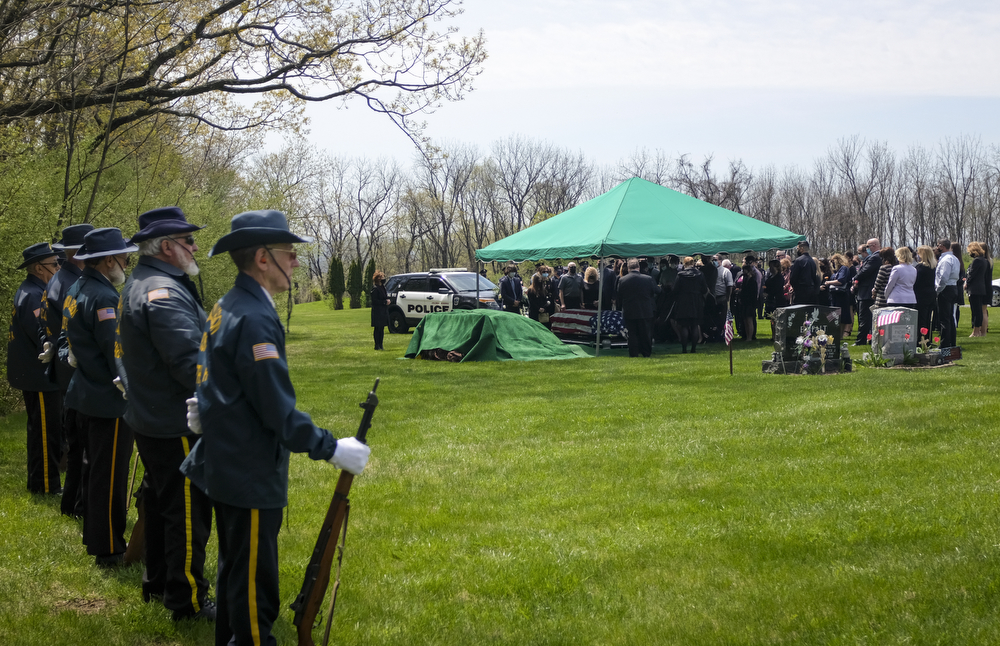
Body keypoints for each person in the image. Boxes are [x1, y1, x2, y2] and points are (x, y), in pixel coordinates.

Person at [179, 210, 371, 646]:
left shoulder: (229, 304)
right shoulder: (254, 317)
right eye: (290, 253)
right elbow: (276, 412)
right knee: (253, 597)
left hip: (227, 462)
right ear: (263, 258)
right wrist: (331, 448)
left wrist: (207, 410)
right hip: (247, 469)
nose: (297, 262)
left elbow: (215, 377)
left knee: (235, 577)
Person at [115, 207, 215, 618]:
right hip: (175, 420)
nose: (195, 247)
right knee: (188, 512)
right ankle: (186, 598)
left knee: (158, 504)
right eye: (188, 241)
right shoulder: (163, 291)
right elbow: (190, 363)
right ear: (168, 247)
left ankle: (156, 582)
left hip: (150, 415)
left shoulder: (146, 281)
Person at [62, 228, 137, 567]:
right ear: (108, 261)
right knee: (109, 477)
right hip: (108, 399)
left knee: (94, 472)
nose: (125, 263)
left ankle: (96, 536)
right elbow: (115, 350)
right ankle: (108, 548)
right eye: (123, 258)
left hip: (85, 394)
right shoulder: (105, 297)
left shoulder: (77, 287)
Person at [40, 224, 95, 516]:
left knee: (76, 442)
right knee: (82, 443)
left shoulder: (63, 278)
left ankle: (71, 501)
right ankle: (77, 503)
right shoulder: (69, 282)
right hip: (74, 370)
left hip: (65, 366)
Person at [8, 242, 63, 495]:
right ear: (39, 268)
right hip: (37, 376)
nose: (58, 267)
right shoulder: (33, 294)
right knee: (44, 432)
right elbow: (40, 332)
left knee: (42, 431)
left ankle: (39, 482)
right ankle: (45, 485)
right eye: (54, 264)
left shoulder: (34, 289)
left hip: (35, 375)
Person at [616, 258, 659, 357]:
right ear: (638, 267)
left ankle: (633, 353)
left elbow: (619, 295)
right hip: (645, 310)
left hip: (629, 310)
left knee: (632, 334)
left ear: (629, 268)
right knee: (645, 333)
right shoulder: (648, 279)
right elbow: (655, 291)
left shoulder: (622, 280)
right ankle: (646, 353)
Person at [671, 257, 711, 354]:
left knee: (684, 326)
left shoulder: (680, 275)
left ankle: (684, 349)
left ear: (684, 264)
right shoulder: (700, 274)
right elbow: (705, 290)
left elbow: (675, 290)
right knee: (694, 325)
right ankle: (693, 348)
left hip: (683, 302)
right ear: (693, 264)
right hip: (696, 301)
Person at [853, 238, 882, 344]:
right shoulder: (876, 257)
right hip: (866, 290)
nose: (867, 249)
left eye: (868, 247)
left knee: (864, 318)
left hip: (866, 291)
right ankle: (868, 339)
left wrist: (855, 278)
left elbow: (865, 271)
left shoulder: (875, 257)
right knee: (867, 318)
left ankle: (861, 340)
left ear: (873, 245)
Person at [934, 238, 961, 348]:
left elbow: (943, 277)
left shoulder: (946, 260)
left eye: (938, 245)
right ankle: (952, 342)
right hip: (953, 287)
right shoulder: (954, 258)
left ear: (942, 246)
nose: (937, 248)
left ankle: (945, 344)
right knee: (950, 317)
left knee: (944, 319)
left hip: (946, 289)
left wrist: (938, 290)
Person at [914, 245, 938, 343]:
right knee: (928, 318)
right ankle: (928, 338)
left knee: (921, 319)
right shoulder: (934, 266)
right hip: (931, 294)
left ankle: (920, 339)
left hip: (921, 294)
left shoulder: (920, 267)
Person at [824, 254, 853, 337]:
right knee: (834, 314)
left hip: (841, 295)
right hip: (834, 296)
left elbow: (841, 281)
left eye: (833, 261)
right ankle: (836, 333)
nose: (832, 263)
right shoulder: (837, 271)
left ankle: (841, 334)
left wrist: (828, 283)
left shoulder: (844, 268)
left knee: (842, 315)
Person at [966, 241, 989, 337]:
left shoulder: (977, 261)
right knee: (979, 310)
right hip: (981, 288)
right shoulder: (984, 260)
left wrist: (967, 283)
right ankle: (979, 330)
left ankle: (975, 331)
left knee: (976, 311)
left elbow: (972, 274)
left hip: (974, 288)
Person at [789, 241, 819, 305]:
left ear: (801, 248)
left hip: (800, 291)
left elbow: (793, 277)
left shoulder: (799, 261)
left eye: (798, 249)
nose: (797, 250)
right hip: (811, 291)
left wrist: (794, 287)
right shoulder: (812, 261)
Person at [735, 258, 758, 340]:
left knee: (749, 320)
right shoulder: (744, 279)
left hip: (750, 303)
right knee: (745, 319)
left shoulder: (752, 280)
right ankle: (746, 335)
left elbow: (752, 292)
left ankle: (750, 337)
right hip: (744, 302)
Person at [371, 270, 389, 349]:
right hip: (377, 311)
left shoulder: (383, 288)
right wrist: (384, 302)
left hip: (383, 311)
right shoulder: (375, 289)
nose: (383, 279)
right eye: (381, 277)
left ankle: (381, 344)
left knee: (382, 328)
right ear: (378, 278)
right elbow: (374, 301)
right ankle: (377, 345)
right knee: (377, 328)